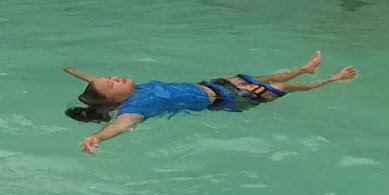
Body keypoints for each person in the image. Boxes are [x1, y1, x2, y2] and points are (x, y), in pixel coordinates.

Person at [64, 52, 358, 154]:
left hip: (213, 85)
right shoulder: (135, 107)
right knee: (280, 87)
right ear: (115, 99)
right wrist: (97, 137)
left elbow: (95, 84)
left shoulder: (133, 90)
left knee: (263, 77)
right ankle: (332, 80)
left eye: (110, 77)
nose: (114, 78)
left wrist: (77, 73)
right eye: (111, 84)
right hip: (227, 100)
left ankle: (304, 69)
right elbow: (120, 125)